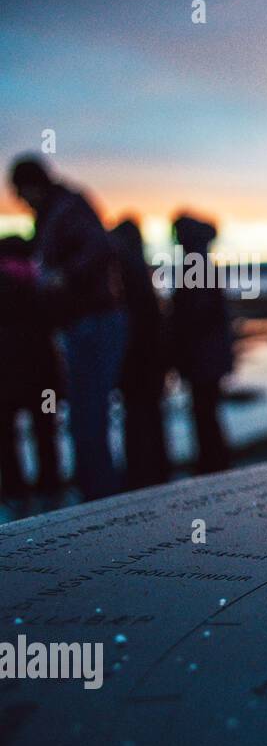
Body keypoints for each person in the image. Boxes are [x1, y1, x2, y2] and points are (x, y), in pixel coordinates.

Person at [8, 156, 125, 500]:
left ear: (32, 185)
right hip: (83, 326)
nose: (19, 200)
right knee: (84, 421)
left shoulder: (66, 208)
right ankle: (98, 499)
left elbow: (100, 248)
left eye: (20, 191)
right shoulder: (56, 213)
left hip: (93, 324)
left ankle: (101, 505)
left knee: (88, 421)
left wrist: (63, 276)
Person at [0, 236, 62, 502]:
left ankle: (14, 488)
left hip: (5, 375)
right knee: (45, 429)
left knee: (6, 433)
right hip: (42, 374)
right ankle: (50, 484)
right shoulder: (40, 284)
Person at [170, 212, 233, 474]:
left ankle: (211, 465)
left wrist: (180, 347)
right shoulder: (202, 263)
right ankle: (213, 462)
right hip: (207, 355)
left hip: (202, 356)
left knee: (204, 411)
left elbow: (196, 315)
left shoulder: (196, 266)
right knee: (206, 411)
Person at [111, 218, 172, 489]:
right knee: (149, 416)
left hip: (139, 365)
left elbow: (140, 326)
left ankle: (141, 474)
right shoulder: (140, 272)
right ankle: (155, 472)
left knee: (139, 417)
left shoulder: (128, 274)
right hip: (149, 364)